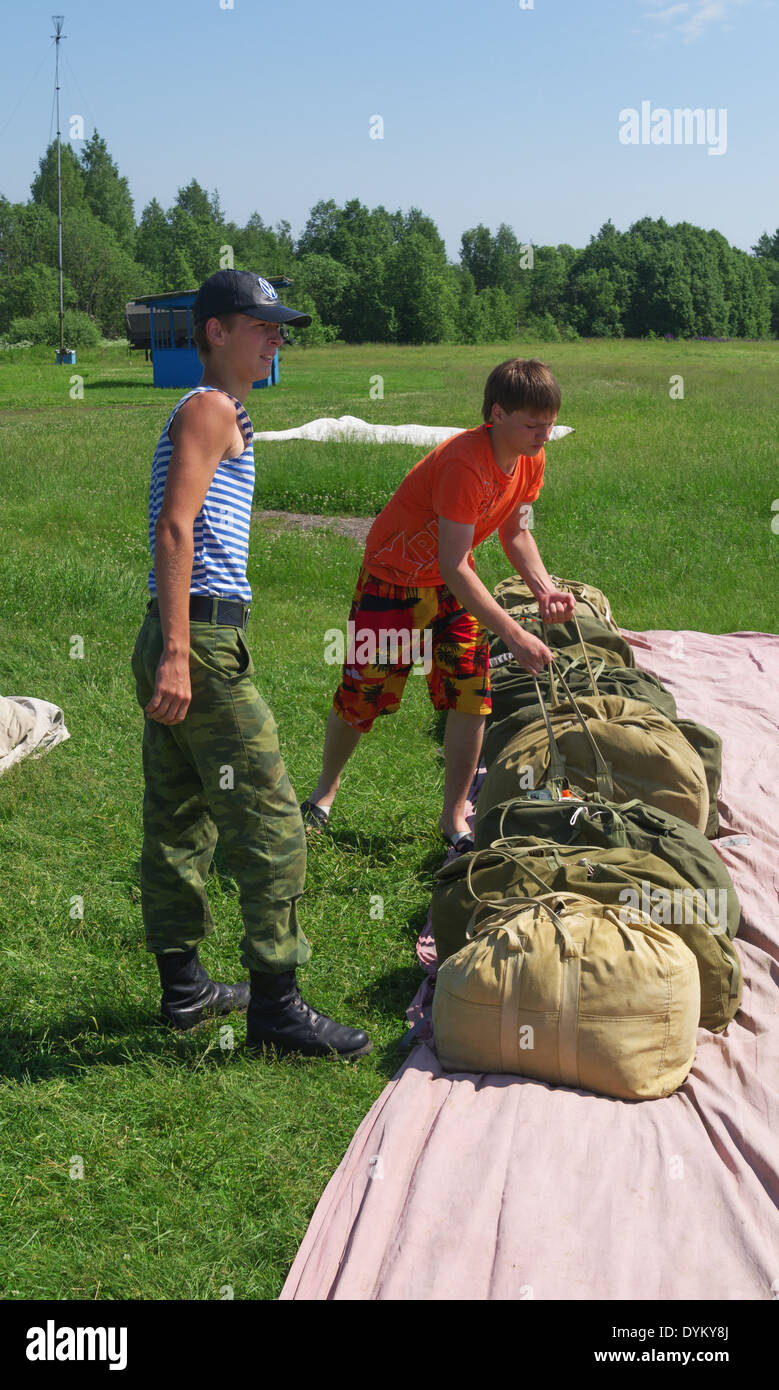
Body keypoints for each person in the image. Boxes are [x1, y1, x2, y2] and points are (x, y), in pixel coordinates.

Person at [130, 268, 371, 1059]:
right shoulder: (207, 408)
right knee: (273, 822)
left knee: (178, 814)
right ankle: (276, 1005)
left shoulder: (220, 409)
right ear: (215, 332)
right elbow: (175, 528)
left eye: (280, 326)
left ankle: (186, 988)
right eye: (261, 323)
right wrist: (177, 652)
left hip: (183, 633)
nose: (276, 336)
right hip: (194, 637)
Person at [301, 358, 576, 850]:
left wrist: (544, 588)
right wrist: (513, 633)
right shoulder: (464, 462)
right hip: (392, 583)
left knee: (471, 696)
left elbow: (517, 530)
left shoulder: (530, 458)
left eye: (550, 424)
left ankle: (454, 821)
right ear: (497, 413)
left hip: (450, 589)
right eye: (533, 424)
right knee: (361, 696)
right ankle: (323, 794)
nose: (544, 434)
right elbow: (455, 564)